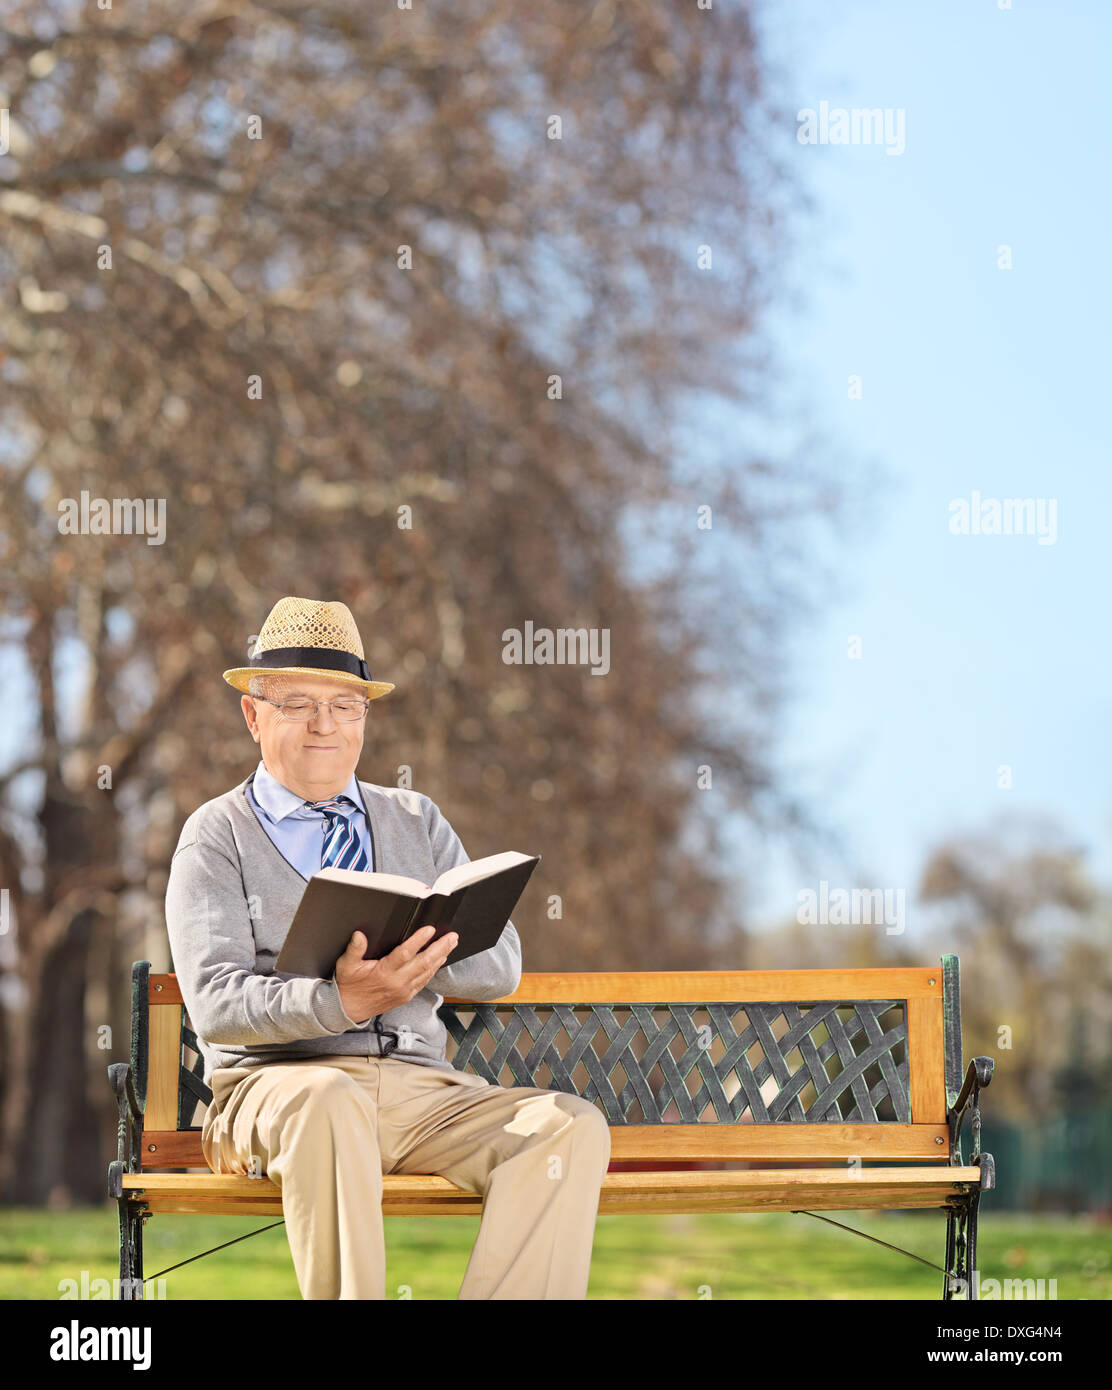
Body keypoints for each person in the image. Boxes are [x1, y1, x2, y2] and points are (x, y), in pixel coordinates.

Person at [165, 595, 610, 1299]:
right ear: (253, 715)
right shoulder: (216, 836)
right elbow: (218, 1005)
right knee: (330, 1098)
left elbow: (503, 969)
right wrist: (341, 1000)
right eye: (298, 704)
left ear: (364, 718)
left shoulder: (415, 818)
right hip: (276, 1095)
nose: (324, 725)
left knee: (566, 1127)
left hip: (420, 1094)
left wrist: (421, 943)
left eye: (345, 706)